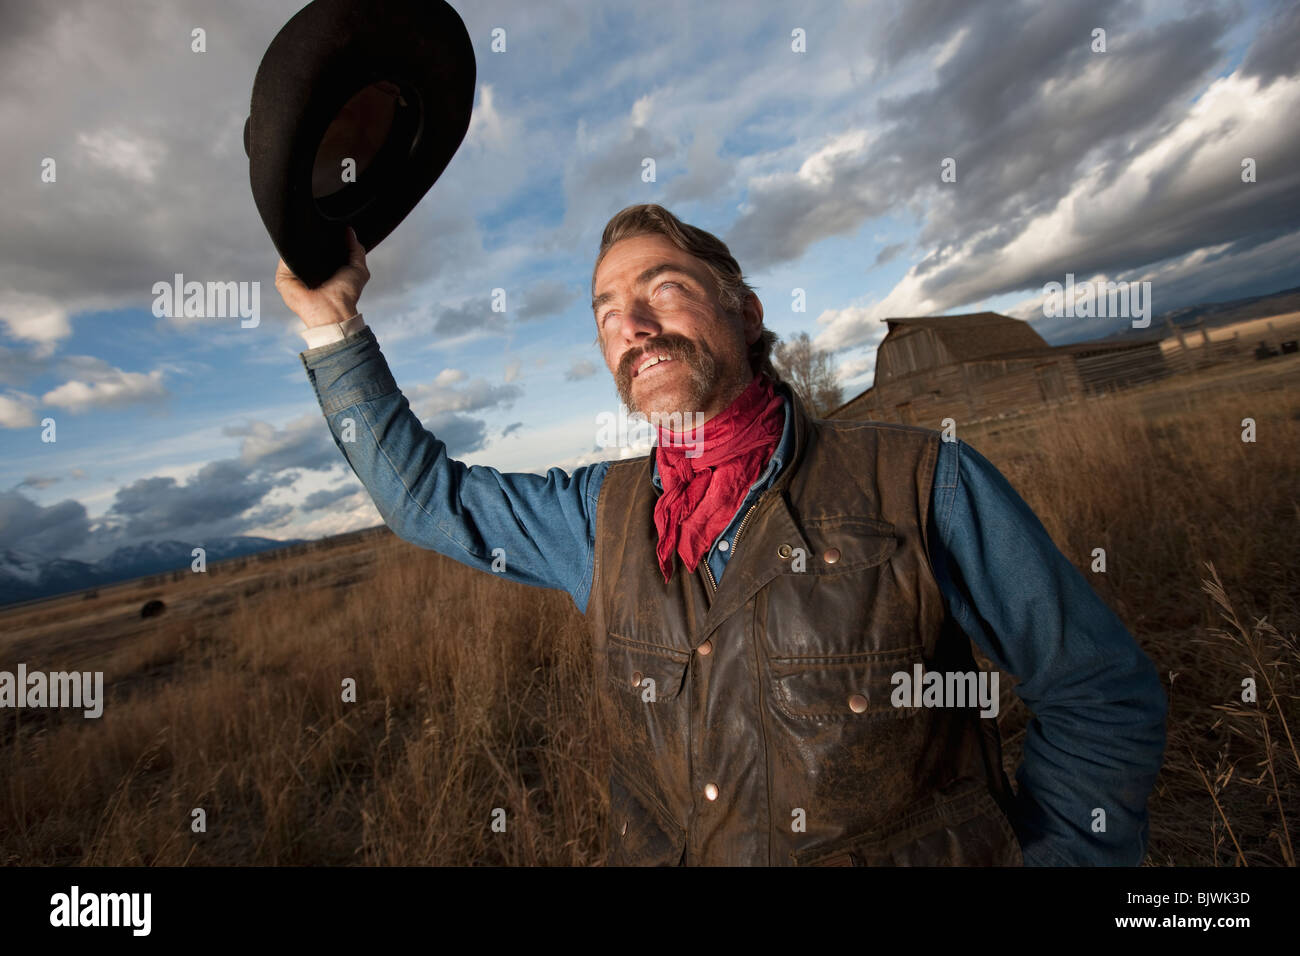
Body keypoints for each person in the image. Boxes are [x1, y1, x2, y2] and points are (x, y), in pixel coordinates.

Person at [276, 203, 1167, 866]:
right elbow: (426, 499)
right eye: (605, 310)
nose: (633, 325)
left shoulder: (920, 482)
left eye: (662, 287)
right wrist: (331, 324)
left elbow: (1099, 695)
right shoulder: (600, 519)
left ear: (744, 313)